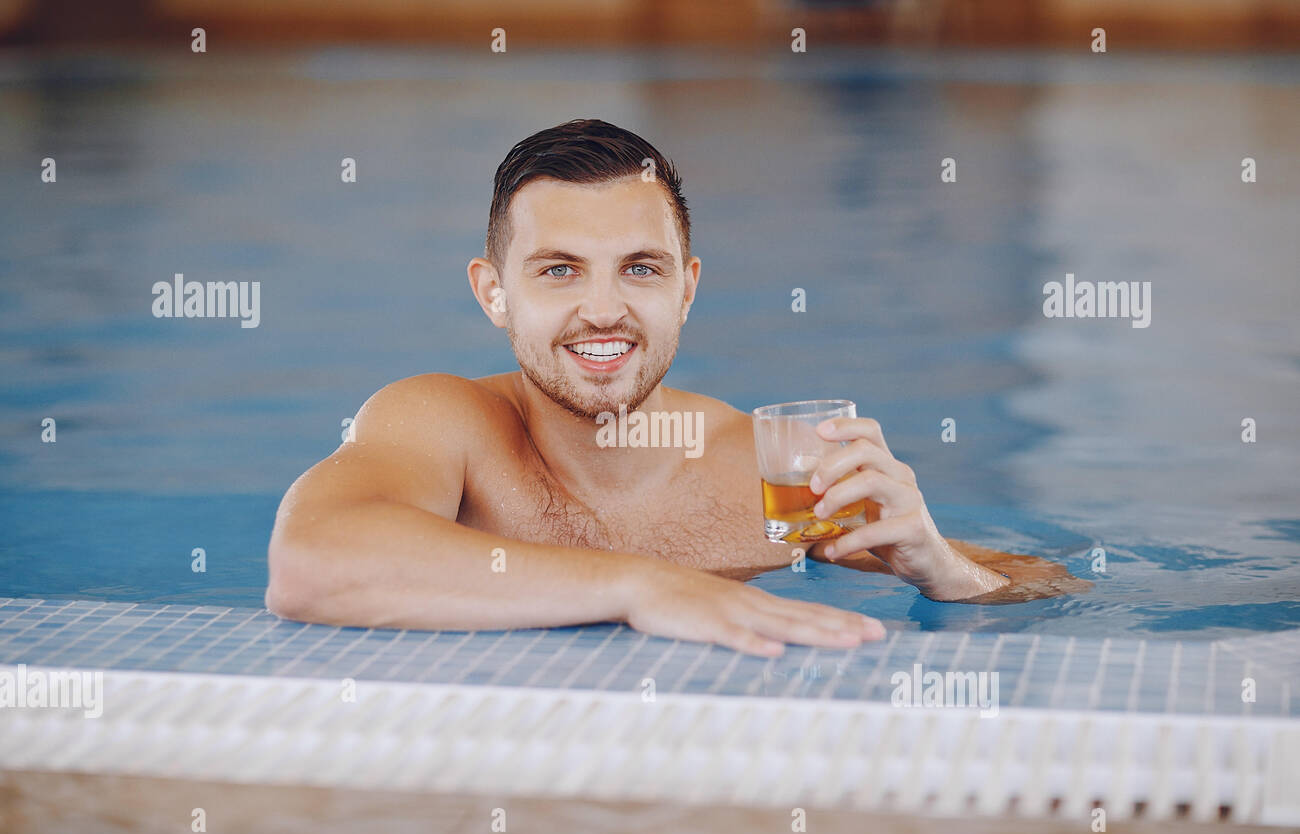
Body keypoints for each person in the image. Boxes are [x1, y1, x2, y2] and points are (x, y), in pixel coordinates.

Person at [266, 119, 1088, 657]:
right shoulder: (447, 423)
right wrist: (640, 584)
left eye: (640, 269)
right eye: (558, 271)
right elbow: (309, 564)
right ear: (494, 293)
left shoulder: (767, 476)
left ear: (687, 289)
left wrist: (942, 566)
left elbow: (1052, 586)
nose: (602, 310)